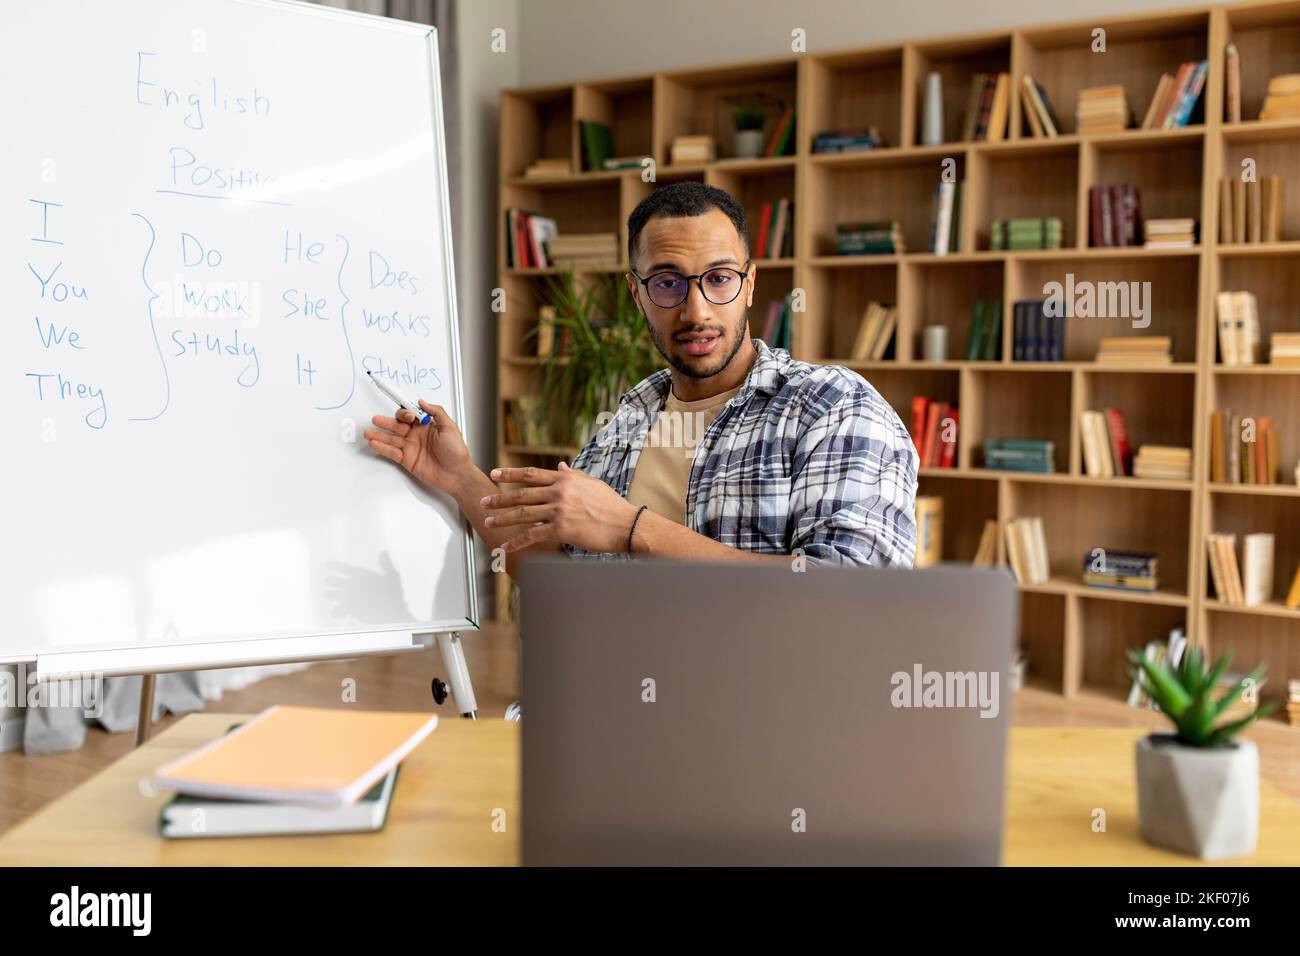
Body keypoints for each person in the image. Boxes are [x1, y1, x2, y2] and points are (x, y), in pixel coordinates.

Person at [363, 182, 917, 577]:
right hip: (610, 708)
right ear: (637, 295)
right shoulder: (624, 424)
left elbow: (851, 600)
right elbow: (557, 584)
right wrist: (461, 477)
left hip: (760, 725)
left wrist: (632, 529)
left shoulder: (834, 407)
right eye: (669, 283)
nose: (696, 310)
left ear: (750, 285)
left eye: (718, 279)